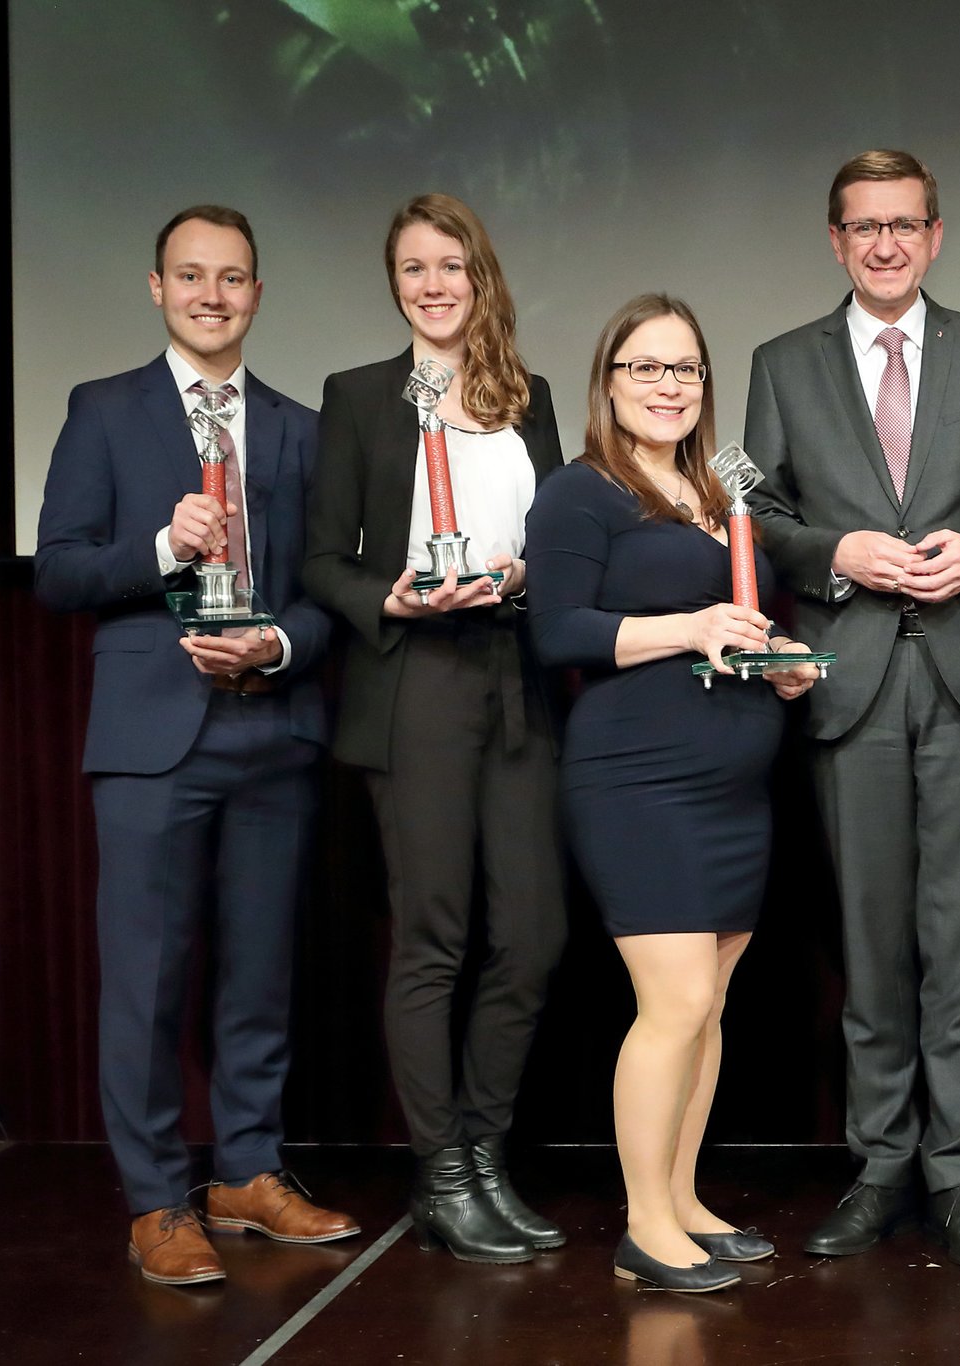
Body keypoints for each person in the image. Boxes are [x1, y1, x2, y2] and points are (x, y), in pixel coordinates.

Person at [34, 205, 359, 1285]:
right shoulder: (103, 410)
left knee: (260, 973)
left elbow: (324, 595)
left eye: (232, 278)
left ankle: (248, 1173)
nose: (212, 295)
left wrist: (276, 641)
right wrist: (161, 546)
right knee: (147, 979)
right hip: (150, 737)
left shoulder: (304, 427)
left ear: (257, 294)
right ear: (157, 287)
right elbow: (62, 573)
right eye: (191, 276)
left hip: (272, 725)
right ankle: (157, 1200)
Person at [743, 149, 960, 1270]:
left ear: (934, 234)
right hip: (850, 678)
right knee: (871, 946)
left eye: (902, 225)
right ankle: (880, 1163)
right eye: (862, 226)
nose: (883, 243)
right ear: (835, 241)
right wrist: (834, 555)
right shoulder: (782, 363)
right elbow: (762, 511)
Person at [526, 295, 820, 1293]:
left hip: (733, 779)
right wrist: (691, 627)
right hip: (637, 779)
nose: (667, 387)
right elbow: (558, 629)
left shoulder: (711, 493)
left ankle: (685, 1199)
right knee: (675, 999)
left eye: (684, 369)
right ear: (608, 381)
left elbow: (731, 619)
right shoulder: (581, 491)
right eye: (645, 368)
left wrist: (775, 659)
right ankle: (645, 1226)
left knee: (710, 1006)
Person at [303, 193, 568, 1264]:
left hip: (510, 672)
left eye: (449, 264)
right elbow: (324, 560)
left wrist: (520, 573)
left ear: (480, 274)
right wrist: (397, 599)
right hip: (413, 678)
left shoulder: (527, 394)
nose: (432, 283)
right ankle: (441, 1172)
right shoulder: (359, 397)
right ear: (395, 283)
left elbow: (555, 537)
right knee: (435, 937)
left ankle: (483, 1153)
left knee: (534, 935)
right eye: (412, 267)